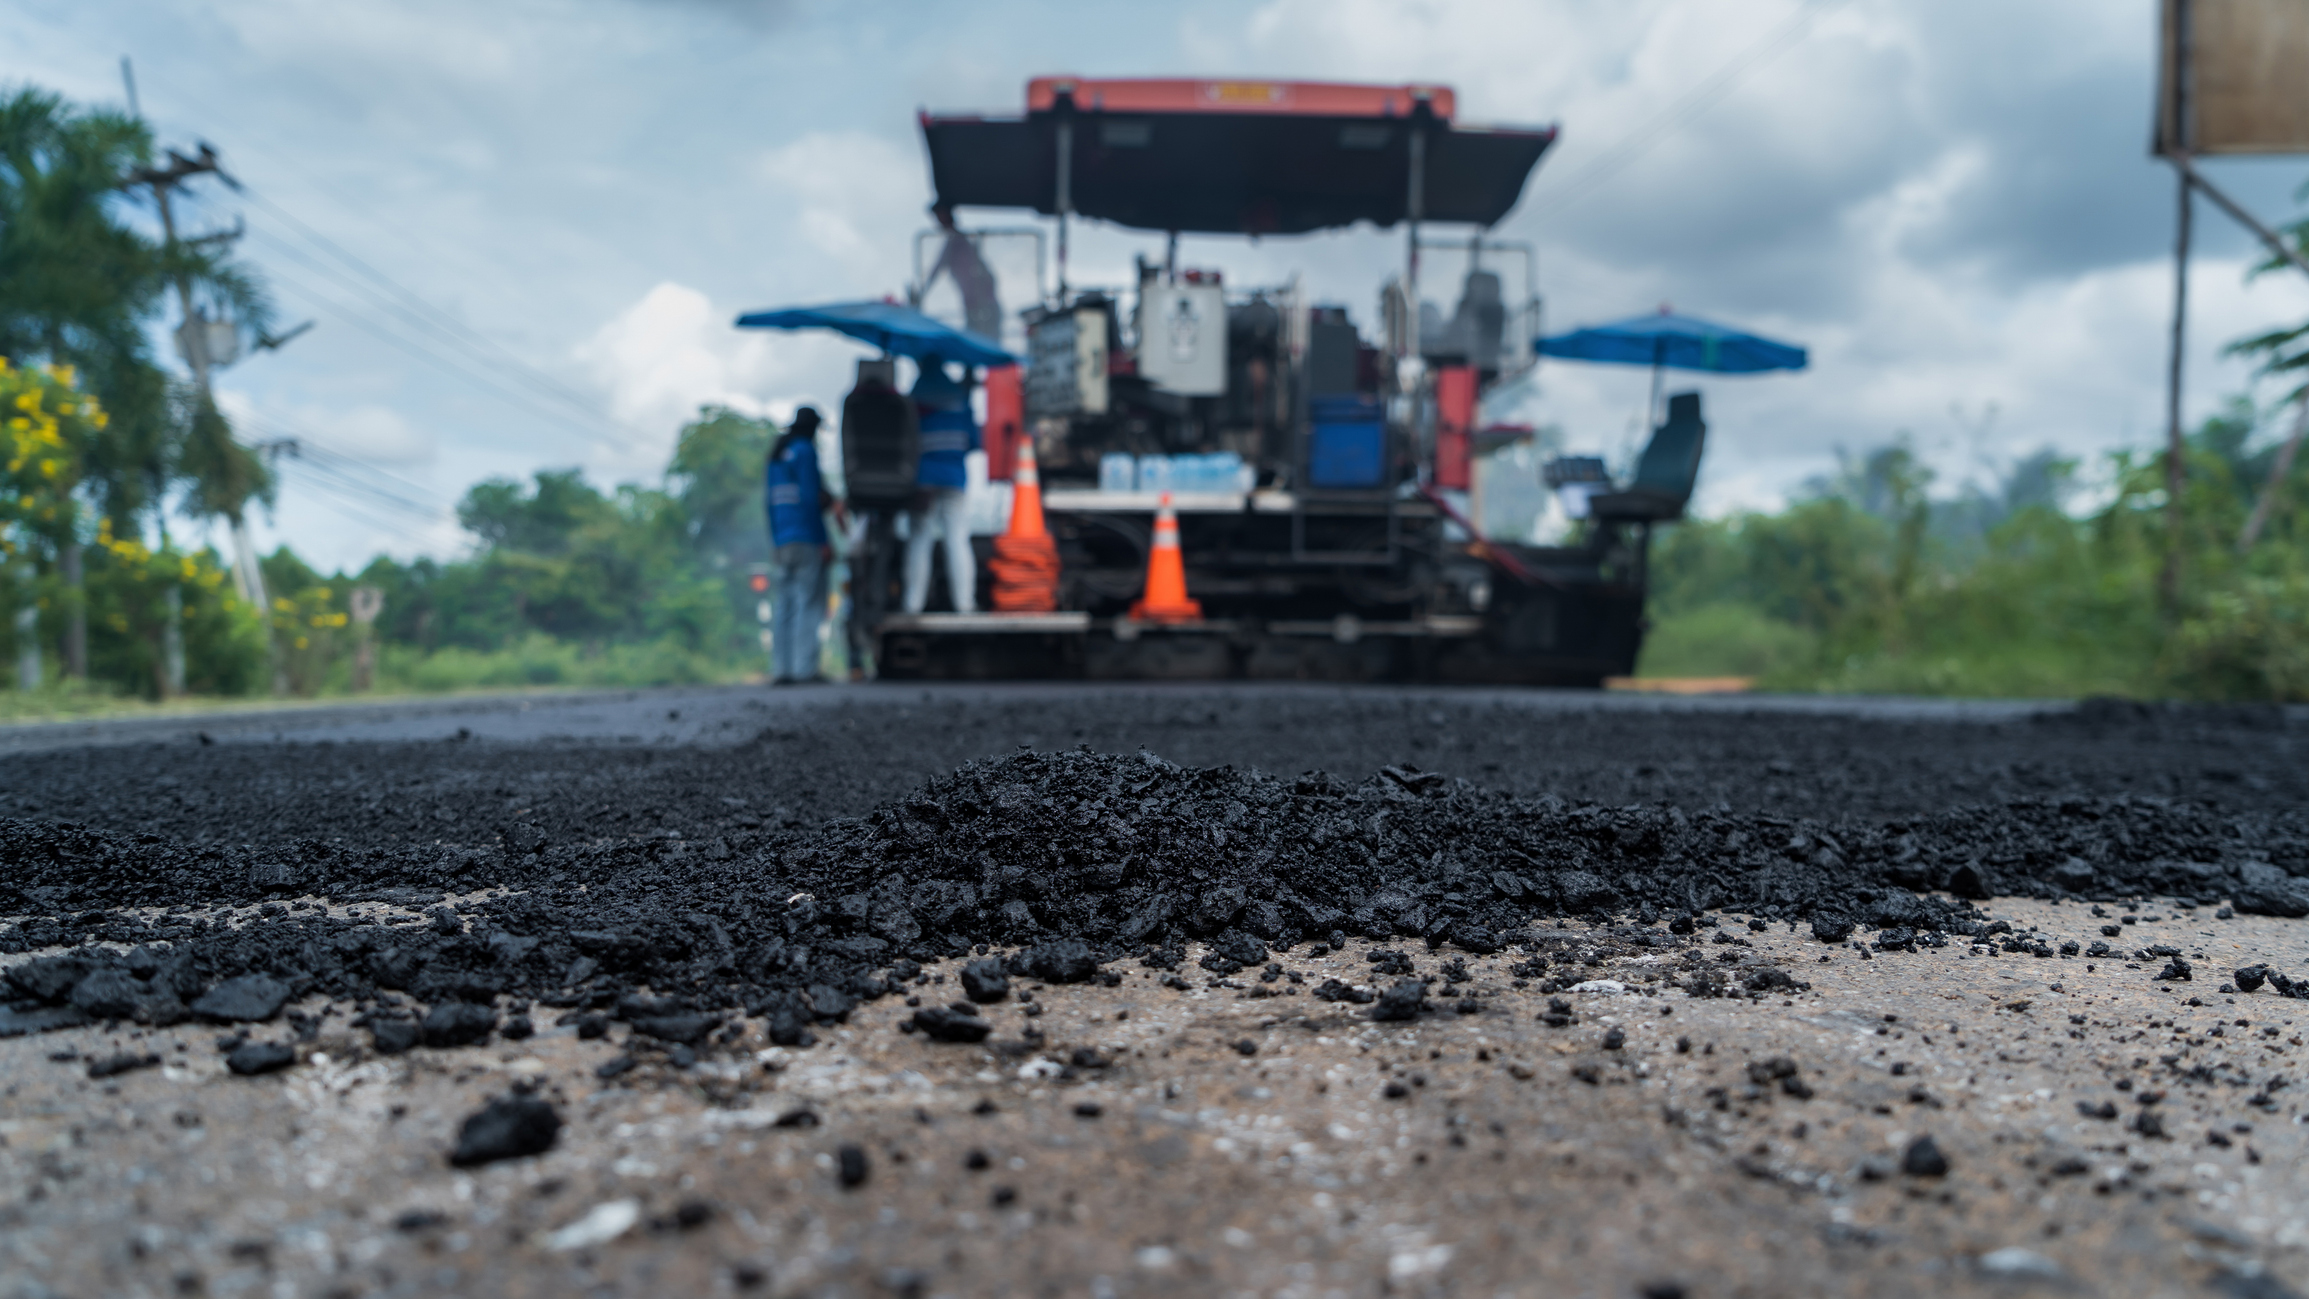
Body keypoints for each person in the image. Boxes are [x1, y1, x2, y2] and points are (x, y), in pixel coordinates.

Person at [765, 406, 842, 683]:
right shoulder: (806, 452)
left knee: (785, 604)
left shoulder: (775, 457)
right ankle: (804, 669)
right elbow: (810, 500)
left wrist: (776, 540)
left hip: (783, 539)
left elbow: (769, 504)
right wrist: (823, 540)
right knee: (809, 603)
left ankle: (781, 670)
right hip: (806, 538)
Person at [902, 355, 979, 615]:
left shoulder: (914, 397)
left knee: (920, 540)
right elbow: (974, 441)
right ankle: (965, 604)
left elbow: (905, 441)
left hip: (923, 480)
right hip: (954, 478)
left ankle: (913, 605)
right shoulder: (959, 397)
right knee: (957, 539)